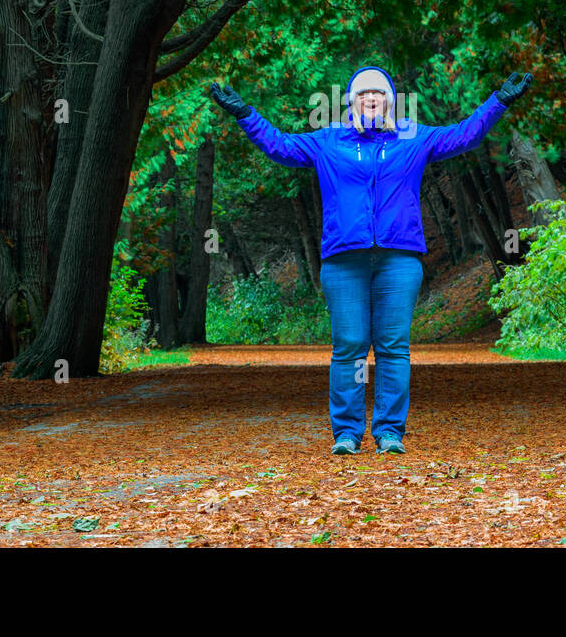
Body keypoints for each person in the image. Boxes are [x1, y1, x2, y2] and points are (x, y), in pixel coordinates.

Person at [209, 65, 533, 454]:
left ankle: (390, 431)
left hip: (399, 259)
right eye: (363, 94)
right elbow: (279, 146)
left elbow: (465, 134)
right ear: (352, 102)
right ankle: (347, 432)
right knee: (349, 345)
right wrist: (246, 114)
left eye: (379, 94)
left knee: (393, 346)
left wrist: (499, 101)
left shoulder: (413, 138)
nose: (372, 99)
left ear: (390, 101)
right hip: (345, 261)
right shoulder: (328, 142)